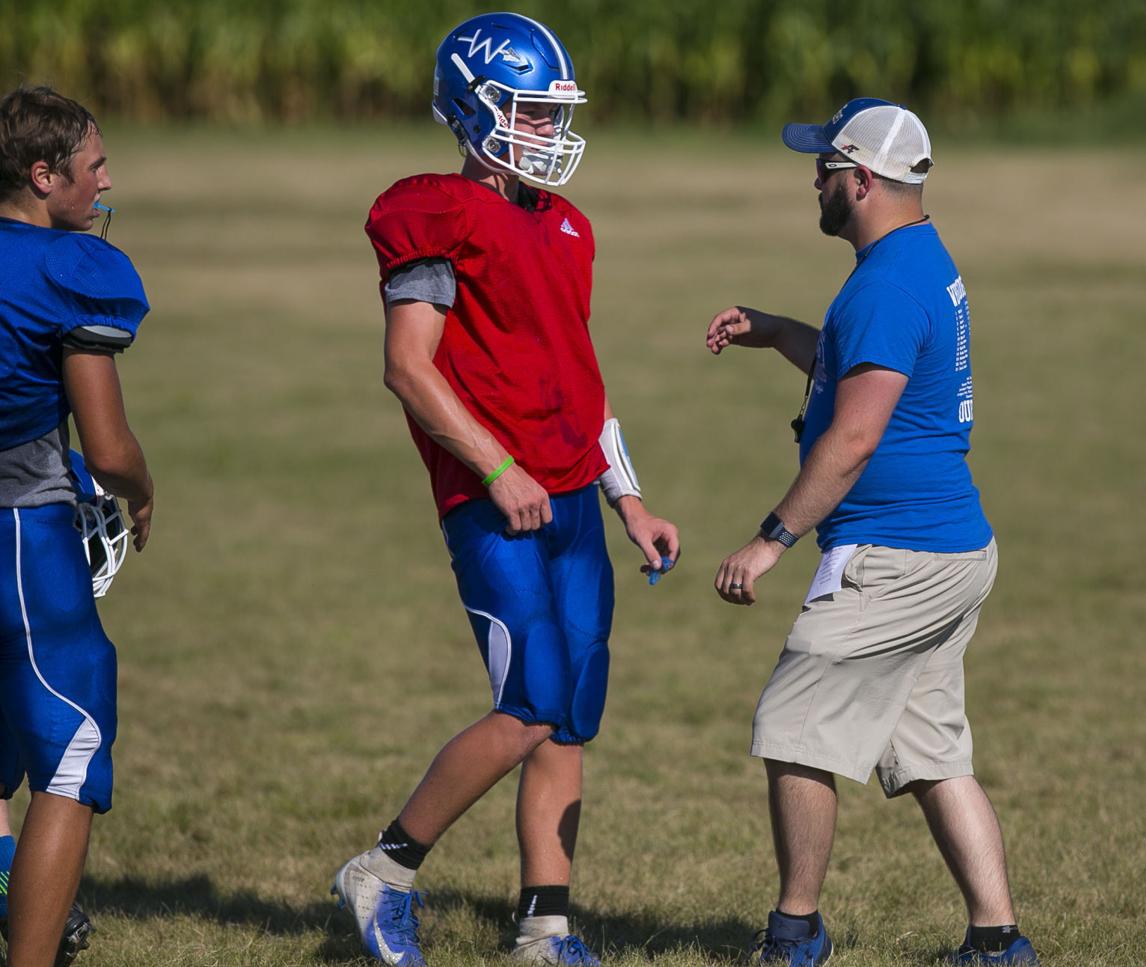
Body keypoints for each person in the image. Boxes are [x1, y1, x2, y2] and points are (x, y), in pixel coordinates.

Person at [332, 13, 680, 967]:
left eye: (551, 112)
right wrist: (494, 467)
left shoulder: (567, 226)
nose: (545, 130)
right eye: (527, 111)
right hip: (495, 500)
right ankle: (385, 869)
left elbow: (580, 381)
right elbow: (408, 366)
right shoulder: (435, 212)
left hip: (571, 498)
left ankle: (545, 926)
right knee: (527, 702)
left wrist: (628, 498)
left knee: (568, 713)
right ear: (472, 109)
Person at [705, 98, 1038, 967]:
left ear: (859, 180)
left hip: (898, 556)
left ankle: (795, 934)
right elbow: (861, 367)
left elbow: (854, 436)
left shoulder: (887, 285)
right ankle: (998, 941)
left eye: (823, 167)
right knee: (932, 753)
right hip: (952, 547)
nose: (812, 181)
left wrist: (771, 539)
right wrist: (778, 331)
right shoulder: (913, 258)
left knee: (792, 725)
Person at [0, 85, 154, 967]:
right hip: (19, 525)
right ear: (42, 174)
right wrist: (142, 489)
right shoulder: (72, 270)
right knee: (71, 747)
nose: (106, 180)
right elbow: (108, 445)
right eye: (93, 165)